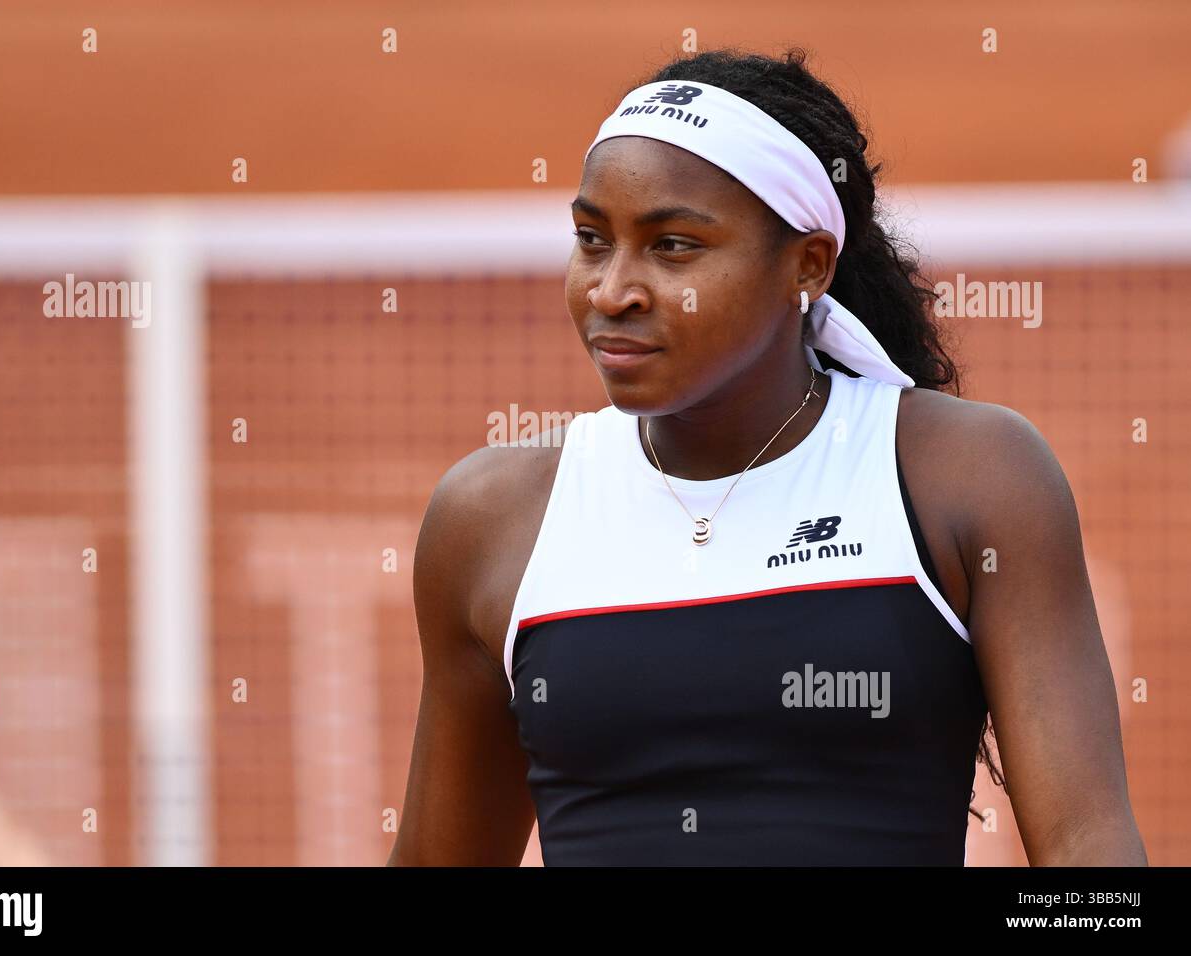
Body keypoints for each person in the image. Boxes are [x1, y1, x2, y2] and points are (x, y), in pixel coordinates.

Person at [388, 48, 1146, 866]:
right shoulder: (491, 519)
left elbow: (1087, 851)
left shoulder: (970, 477)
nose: (613, 290)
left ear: (808, 265)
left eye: (673, 246)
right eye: (591, 239)